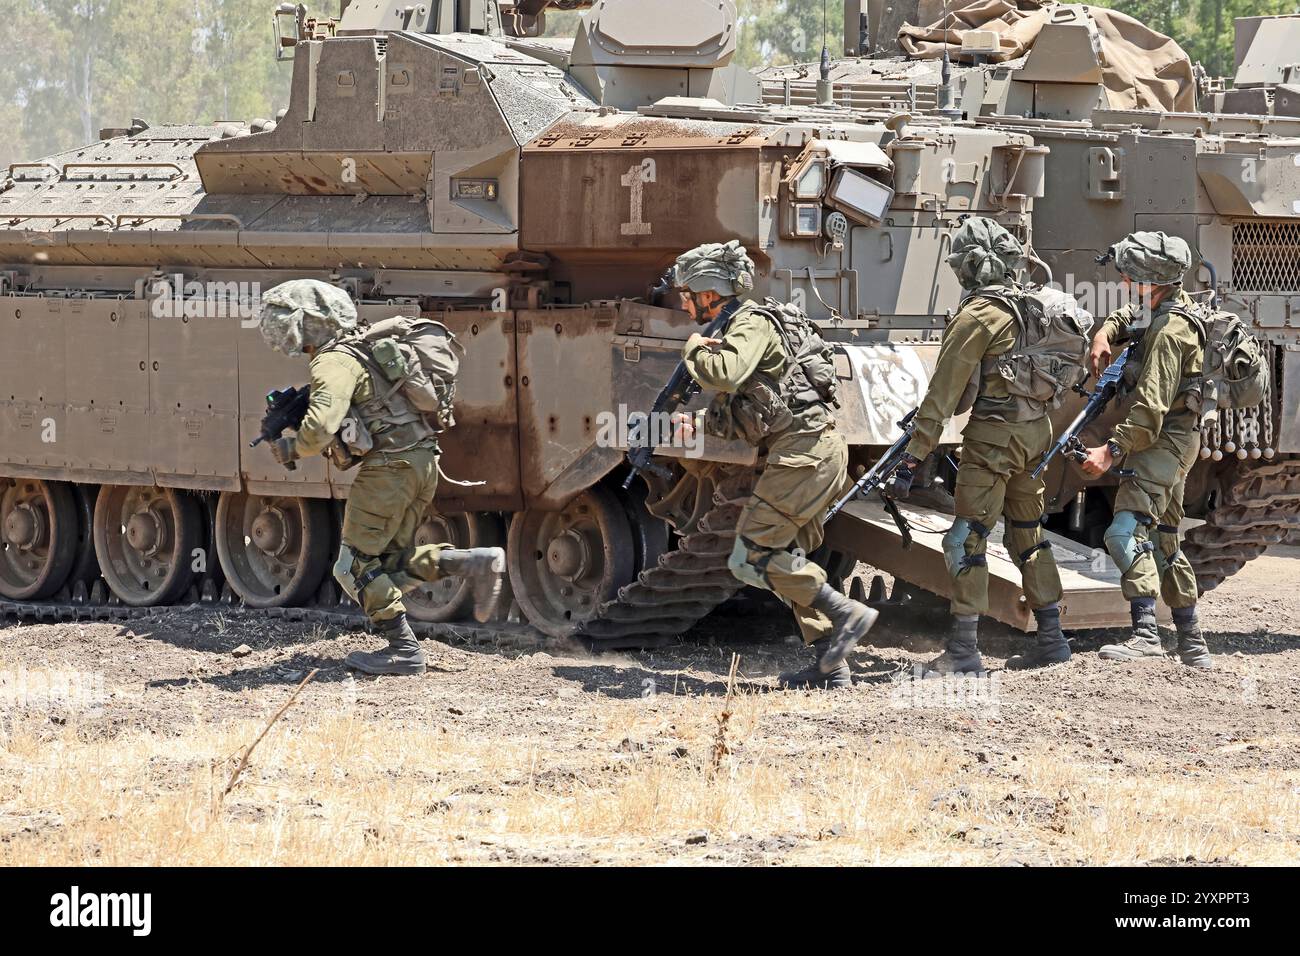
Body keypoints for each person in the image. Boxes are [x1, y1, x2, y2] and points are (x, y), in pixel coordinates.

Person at [256, 279, 505, 676]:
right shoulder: (364, 347)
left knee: (353, 566)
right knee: (389, 563)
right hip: (422, 461)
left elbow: (321, 427)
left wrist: (291, 448)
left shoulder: (333, 361)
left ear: (306, 323)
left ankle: (404, 650)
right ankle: (473, 562)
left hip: (390, 468)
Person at [666, 240, 877, 689]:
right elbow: (760, 409)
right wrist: (700, 422)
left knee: (751, 559)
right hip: (812, 450)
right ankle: (829, 665)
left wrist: (692, 350)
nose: (683, 305)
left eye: (687, 295)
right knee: (787, 560)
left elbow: (724, 372)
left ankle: (846, 613)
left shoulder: (750, 324)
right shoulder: (755, 325)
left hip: (804, 454)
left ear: (709, 293)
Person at [886, 217, 1072, 674]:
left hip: (993, 441)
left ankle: (964, 652)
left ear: (973, 265)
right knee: (1028, 534)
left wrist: (912, 457)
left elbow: (944, 396)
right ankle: (1052, 639)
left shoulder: (978, 316)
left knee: (965, 538)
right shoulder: (1034, 307)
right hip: (1036, 437)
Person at [1079, 232, 1211, 669]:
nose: (1122, 279)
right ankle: (1192, 643)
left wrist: (1110, 452)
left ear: (1150, 281)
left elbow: (1150, 410)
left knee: (1122, 535)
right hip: (1177, 444)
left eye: (1129, 274)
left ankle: (1145, 636)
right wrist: (1105, 332)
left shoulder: (1170, 335)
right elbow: (1132, 315)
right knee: (1166, 541)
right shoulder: (1170, 306)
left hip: (1160, 442)